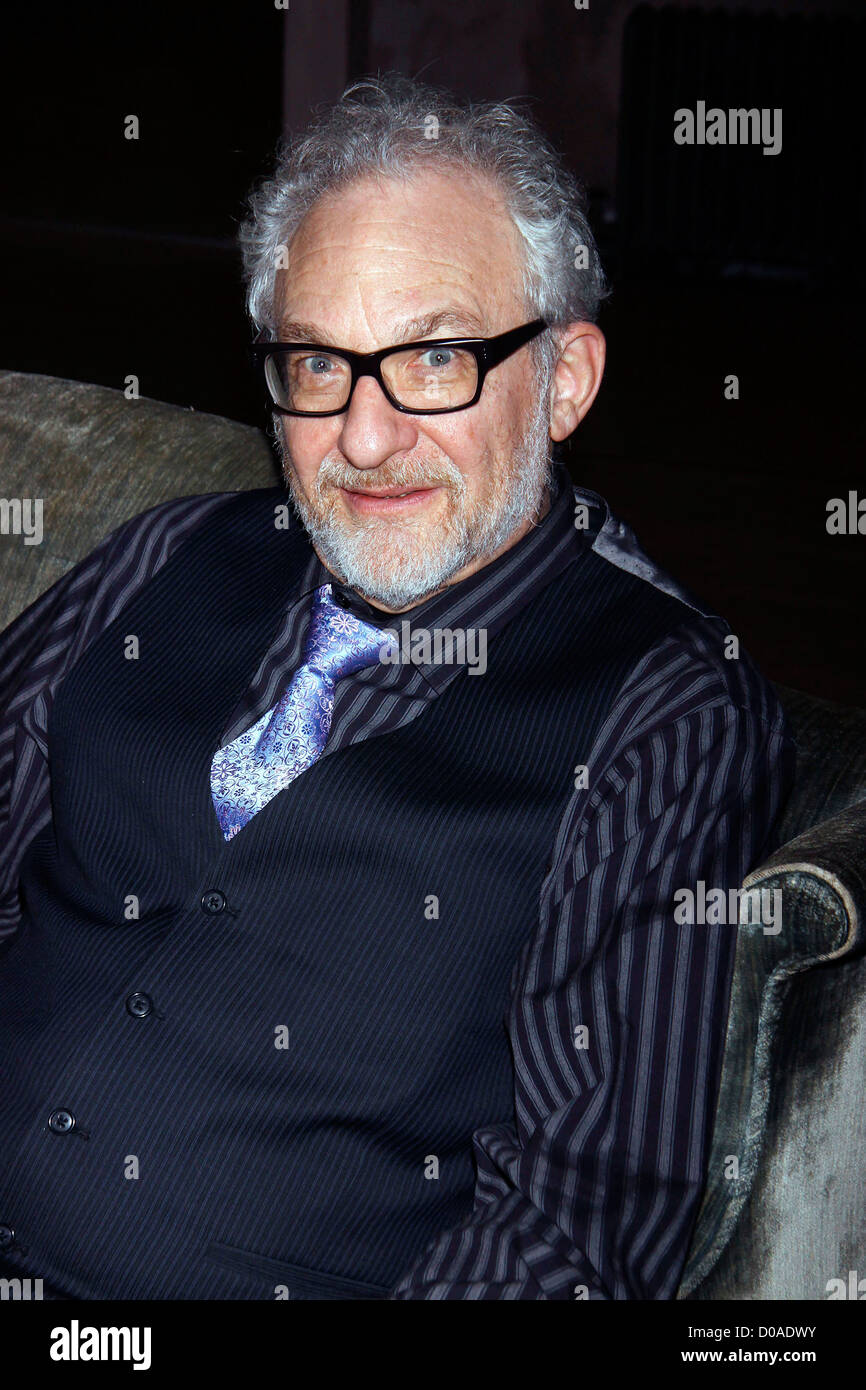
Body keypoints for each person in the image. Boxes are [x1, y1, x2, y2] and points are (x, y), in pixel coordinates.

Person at [0, 73, 794, 1300]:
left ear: (565, 379)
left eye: (432, 357)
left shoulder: (664, 714)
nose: (363, 438)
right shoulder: (169, 556)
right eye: (318, 364)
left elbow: (576, 1232)